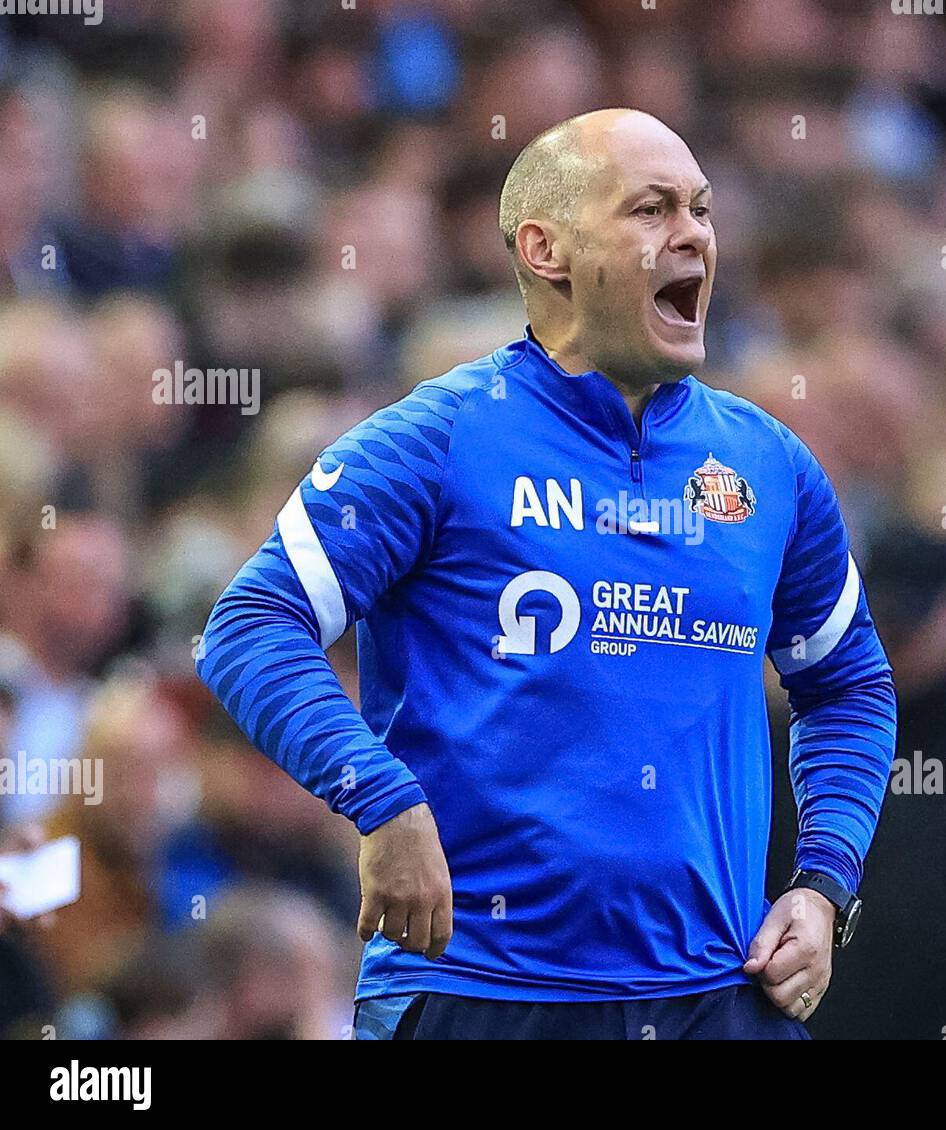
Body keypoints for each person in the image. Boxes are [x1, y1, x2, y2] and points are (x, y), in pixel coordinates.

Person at [197, 108, 897, 1040]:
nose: (692, 234)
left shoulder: (767, 465)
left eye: (701, 209)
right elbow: (250, 625)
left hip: (716, 996)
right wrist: (382, 798)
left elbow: (848, 683)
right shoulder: (441, 439)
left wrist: (822, 884)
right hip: (483, 993)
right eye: (651, 211)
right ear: (546, 248)